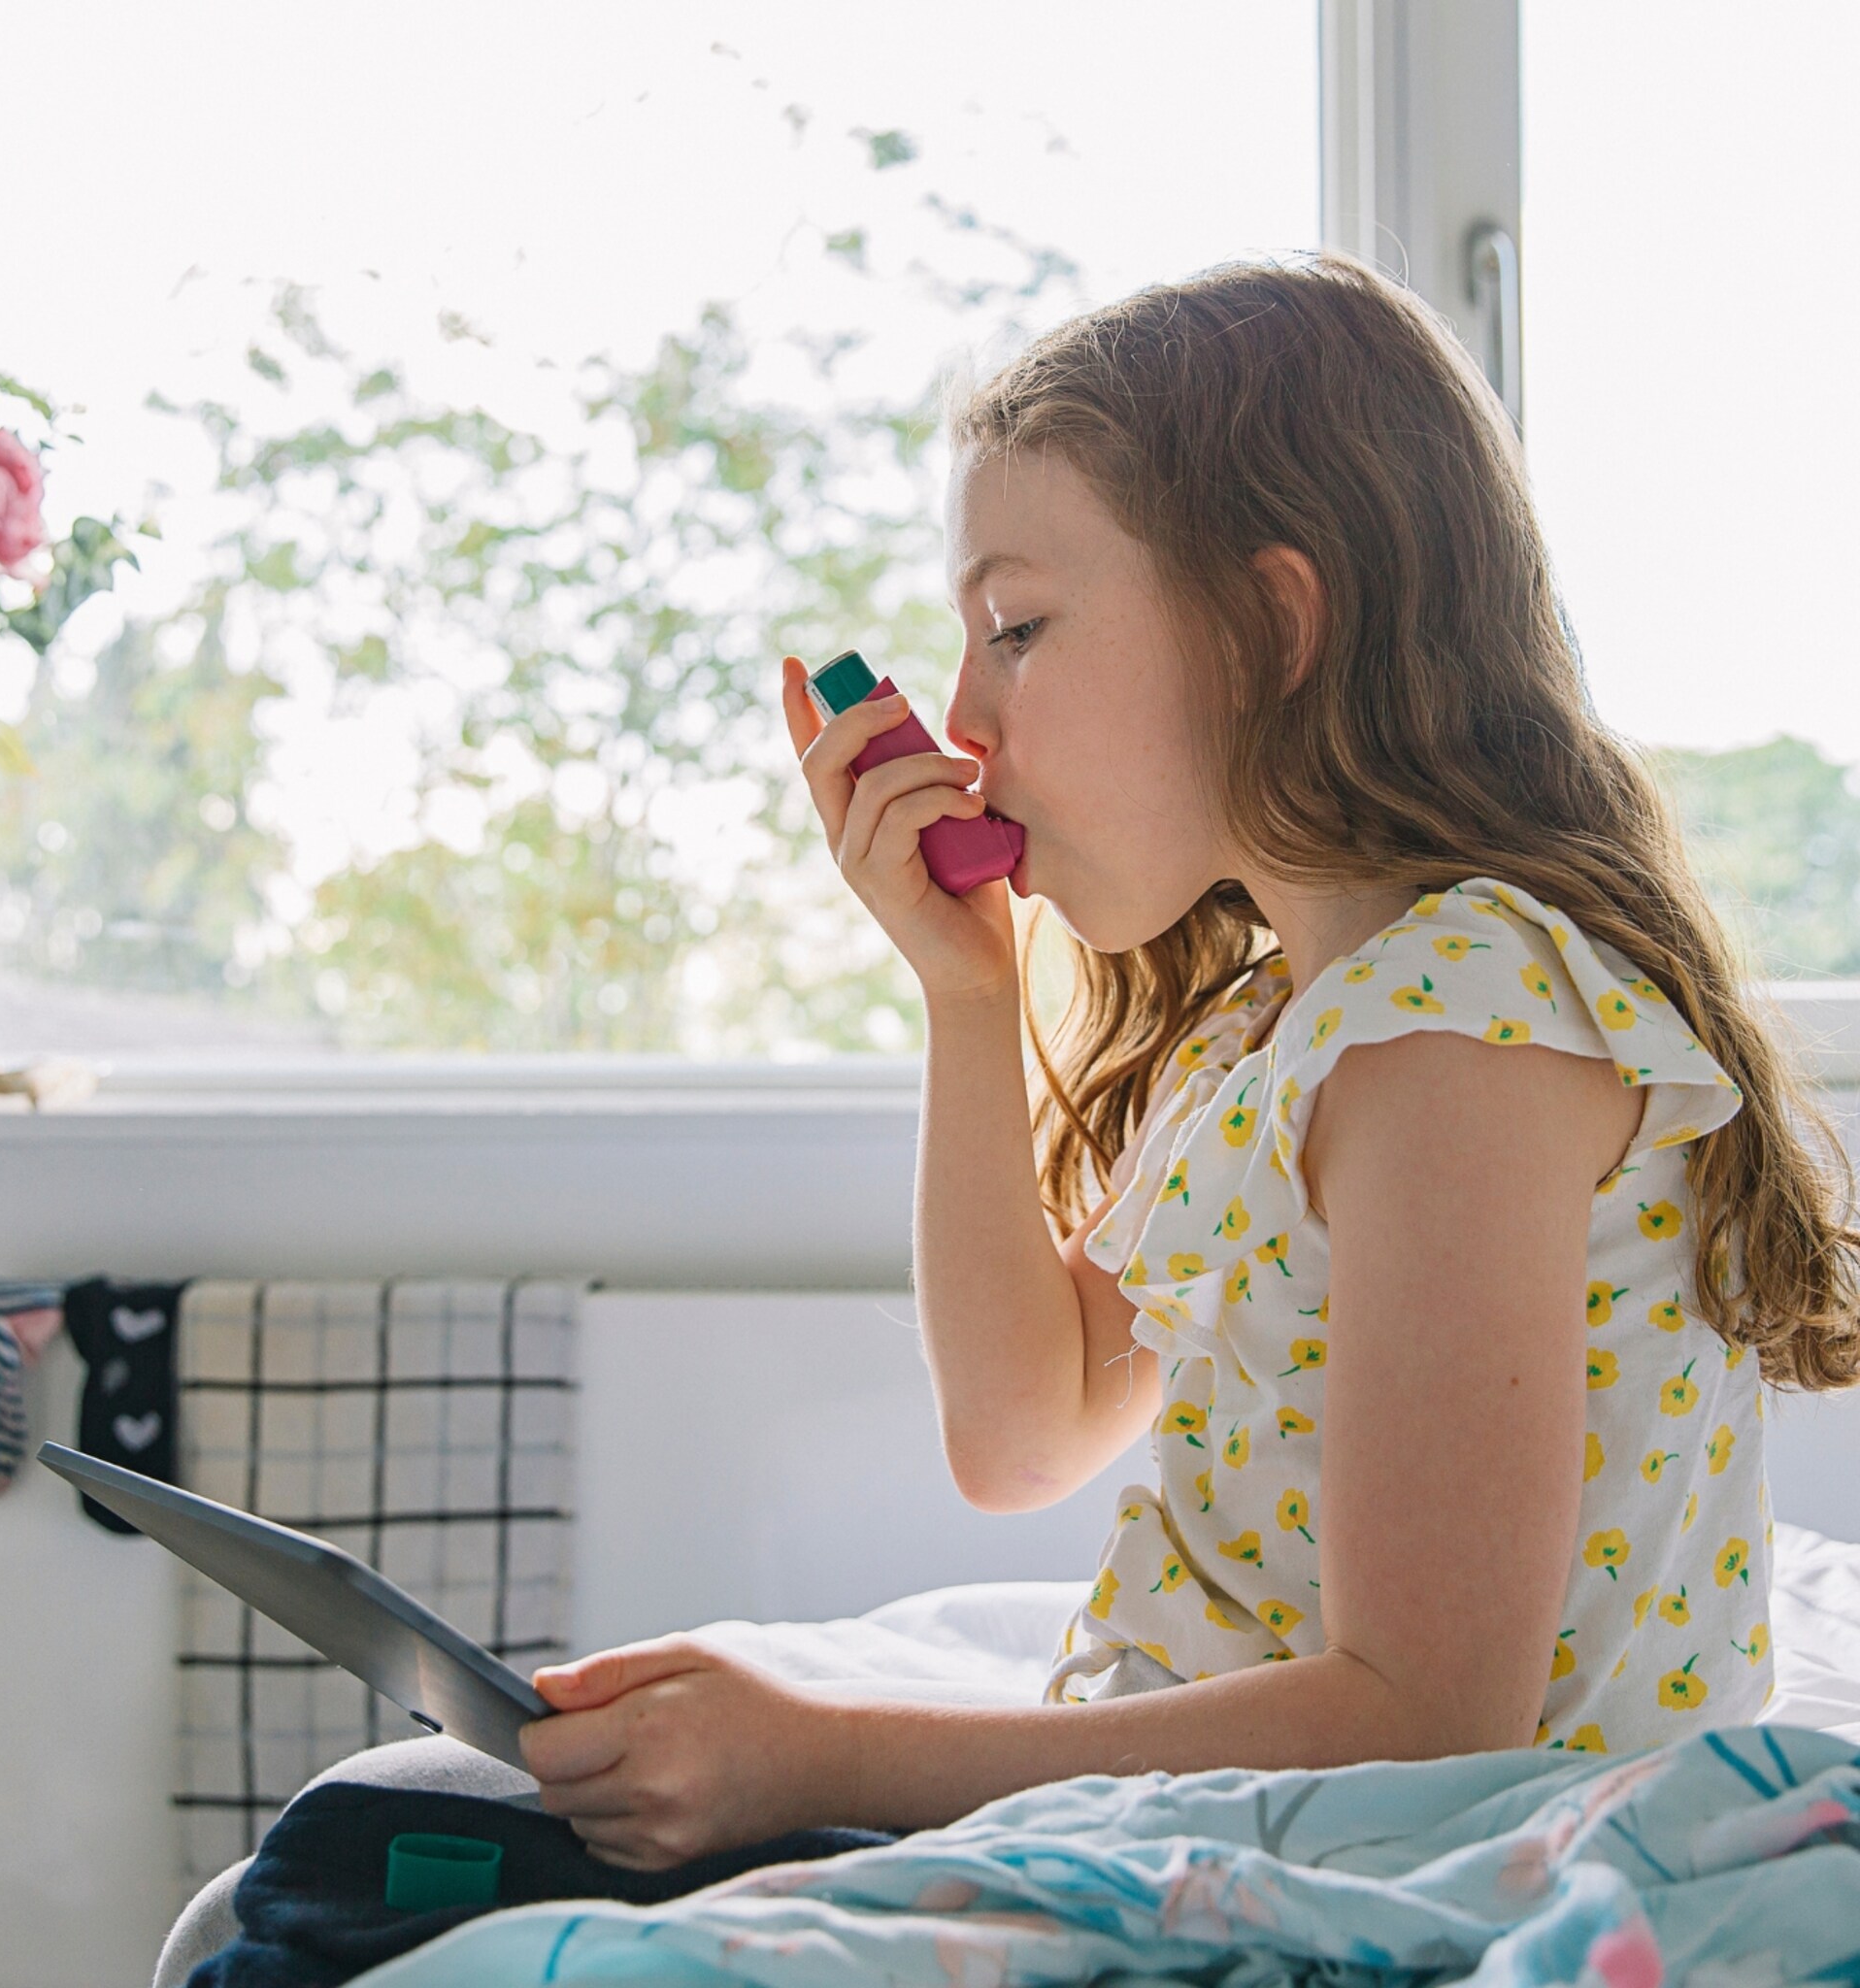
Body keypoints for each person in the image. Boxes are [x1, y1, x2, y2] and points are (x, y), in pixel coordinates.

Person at [516, 250, 1860, 1871]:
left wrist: (826, 1759)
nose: (963, 721)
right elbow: (1022, 1435)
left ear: (1271, 624)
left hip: (1412, 1869)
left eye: (1016, 626)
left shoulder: (1458, 1035)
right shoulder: (1278, 1028)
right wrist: (968, 999)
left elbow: (1429, 1720)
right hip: (1223, 1826)